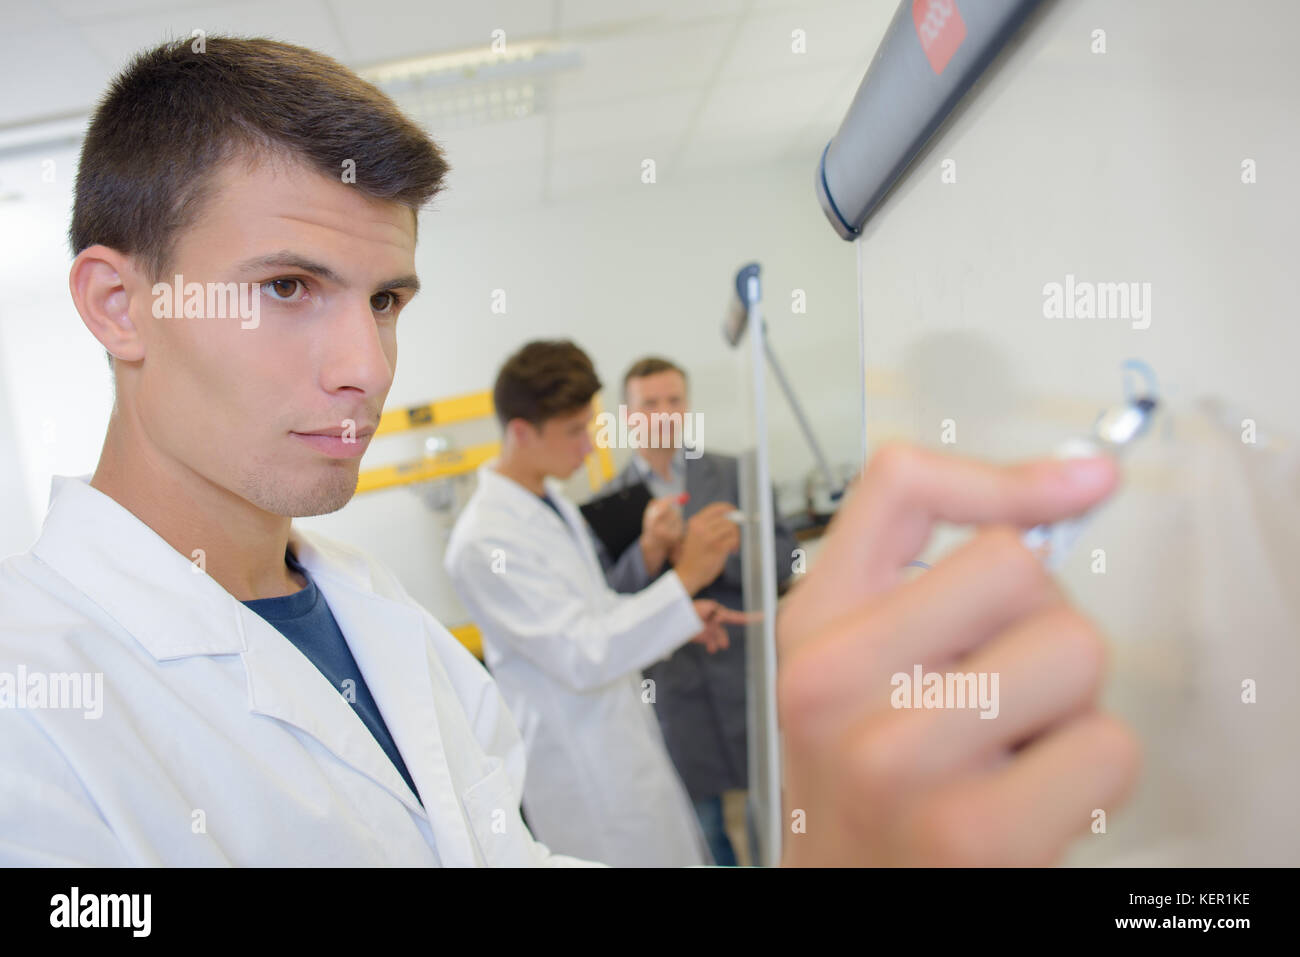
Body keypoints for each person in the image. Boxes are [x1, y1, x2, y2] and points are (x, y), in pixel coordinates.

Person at [0, 35, 1140, 868]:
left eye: (387, 298)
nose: (365, 363)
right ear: (118, 306)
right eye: (288, 287)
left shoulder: (377, 616)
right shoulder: (34, 716)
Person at [442, 340, 753, 866]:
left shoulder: (552, 503)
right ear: (521, 431)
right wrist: (686, 580)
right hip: (584, 767)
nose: (589, 447)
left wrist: (680, 619)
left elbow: (599, 608)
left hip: (625, 737)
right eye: (575, 432)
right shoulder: (482, 542)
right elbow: (582, 651)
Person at [596, 356, 797, 866]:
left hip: (748, 669)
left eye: (674, 400)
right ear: (627, 413)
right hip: (674, 688)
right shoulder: (608, 505)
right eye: (649, 403)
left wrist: (715, 550)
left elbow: (781, 560)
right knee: (703, 828)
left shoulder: (738, 474)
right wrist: (648, 554)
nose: (664, 413)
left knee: (782, 811)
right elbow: (607, 605)